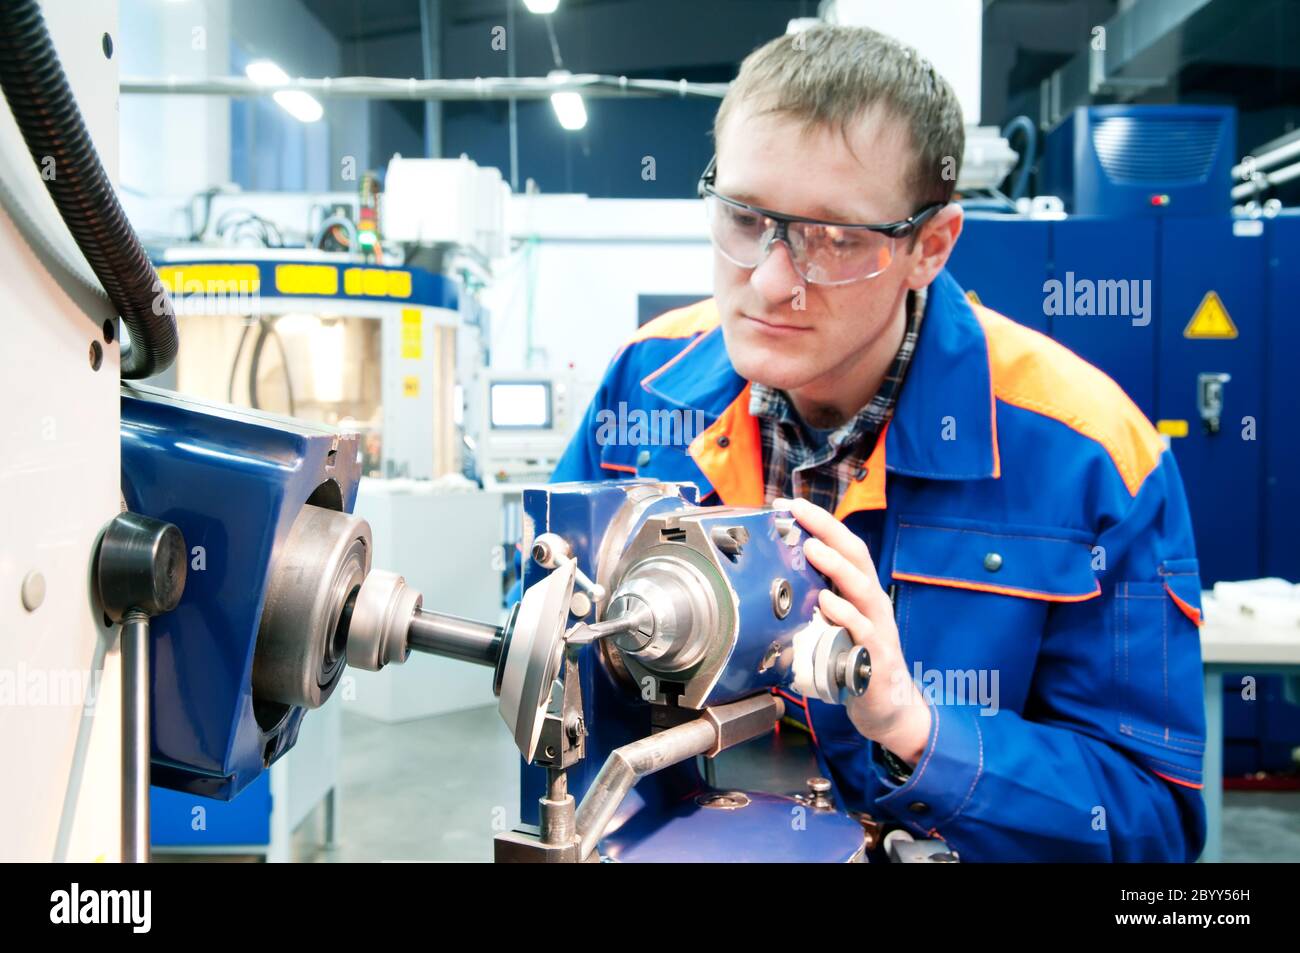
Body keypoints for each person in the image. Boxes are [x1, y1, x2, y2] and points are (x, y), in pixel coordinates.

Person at [551, 24, 1206, 861]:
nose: (774, 279)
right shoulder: (642, 386)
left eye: (834, 239)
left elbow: (1152, 823)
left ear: (929, 246)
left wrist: (917, 726)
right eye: (747, 219)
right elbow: (548, 637)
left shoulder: (1091, 457)